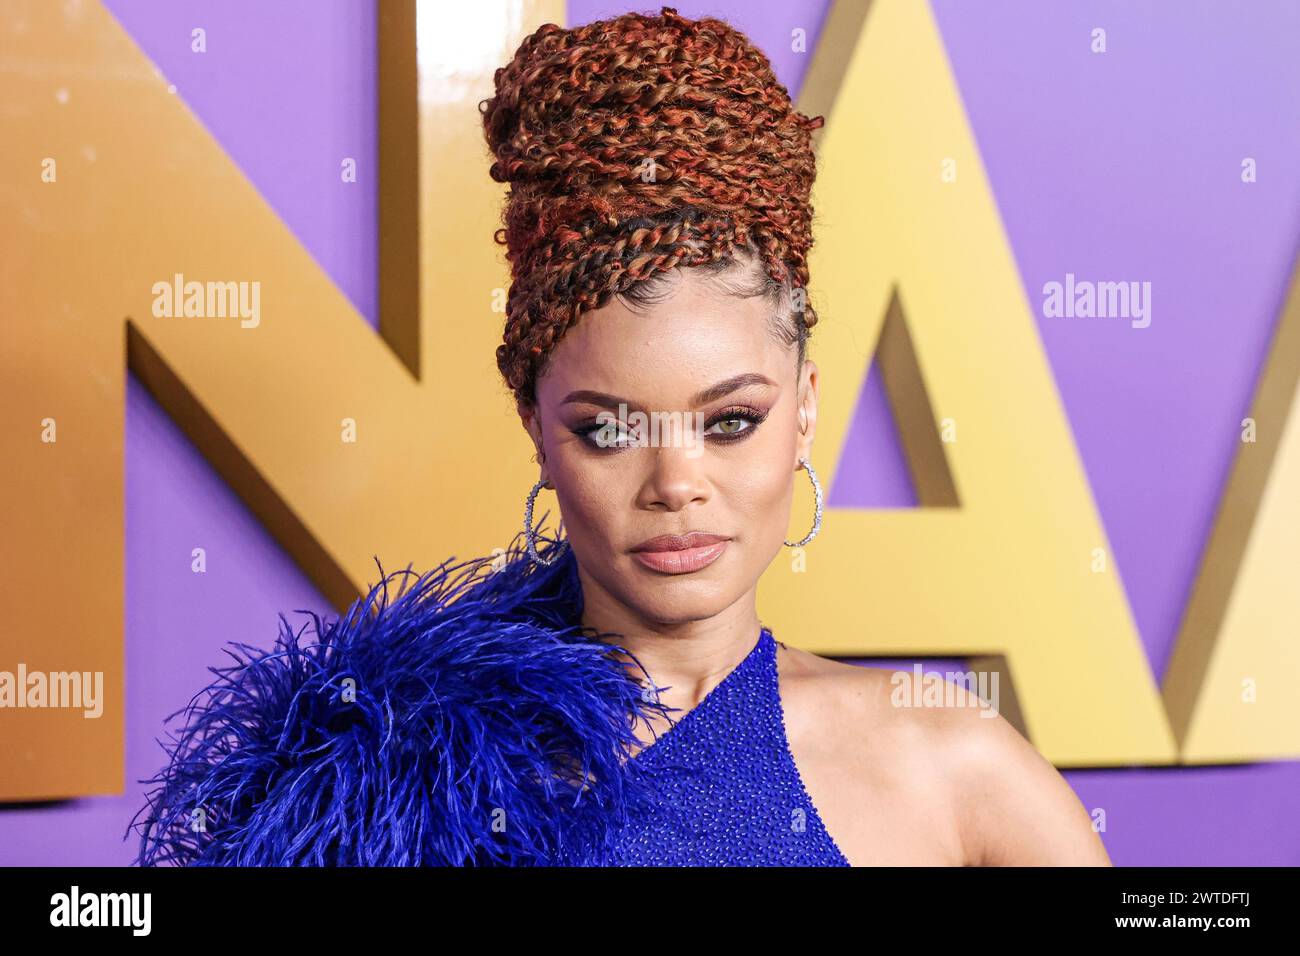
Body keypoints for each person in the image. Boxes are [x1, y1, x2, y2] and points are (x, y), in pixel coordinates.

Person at [131, 6, 1110, 867]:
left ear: (804, 406)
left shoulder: (951, 761)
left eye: (731, 420)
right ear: (535, 428)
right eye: (608, 429)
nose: (676, 481)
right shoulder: (396, 773)